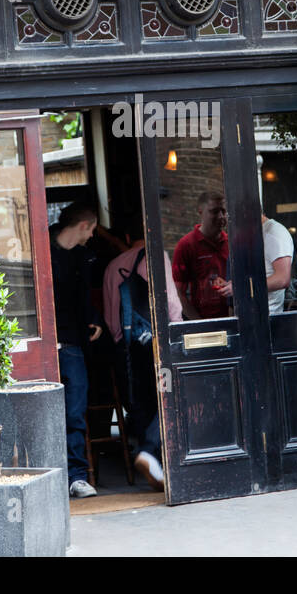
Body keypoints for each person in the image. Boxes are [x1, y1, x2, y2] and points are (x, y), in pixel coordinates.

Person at [102, 221, 181, 490]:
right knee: (170, 396)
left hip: (129, 347)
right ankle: (150, 451)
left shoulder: (113, 266)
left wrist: (122, 344)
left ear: (127, 235)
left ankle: (155, 466)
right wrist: (176, 334)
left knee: (145, 402)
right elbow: (170, 302)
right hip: (157, 344)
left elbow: (112, 319)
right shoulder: (156, 256)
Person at [50, 203, 103, 499]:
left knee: (74, 413)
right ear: (83, 225)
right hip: (45, 343)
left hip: (73, 343)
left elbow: (84, 298)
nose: (93, 236)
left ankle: (77, 477)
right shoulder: (41, 247)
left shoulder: (84, 256)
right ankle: (47, 476)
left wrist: (93, 319)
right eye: (93, 229)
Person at [172, 191, 231, 320]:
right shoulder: (186, 245)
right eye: (214, 211)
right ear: (200, 212)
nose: (221, 216)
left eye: (224, 211)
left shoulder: (232, 243)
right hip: (201, 322)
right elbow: (178, 293)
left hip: (233, 320)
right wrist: (199, 324)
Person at [261, 213, 294, 316]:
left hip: (268, 319)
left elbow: (282, 279)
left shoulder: (274, 232)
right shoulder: (260, 232)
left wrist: (241, 288)